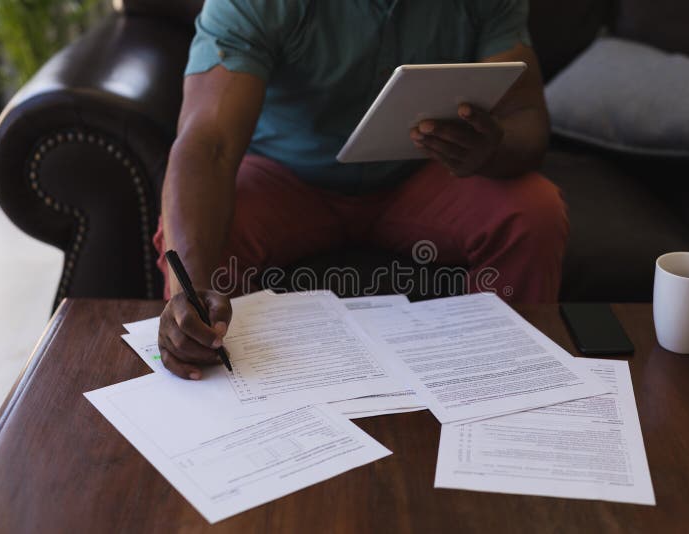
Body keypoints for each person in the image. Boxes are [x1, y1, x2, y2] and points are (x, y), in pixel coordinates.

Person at [154, 0, 569, 379]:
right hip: (283, 176)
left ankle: (510, 379)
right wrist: (192, 291)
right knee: (200, 237)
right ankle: (219, 383)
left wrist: (489, 148)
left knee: (533, 212)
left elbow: (525, 117)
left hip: (419, 172)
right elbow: (208, 144)